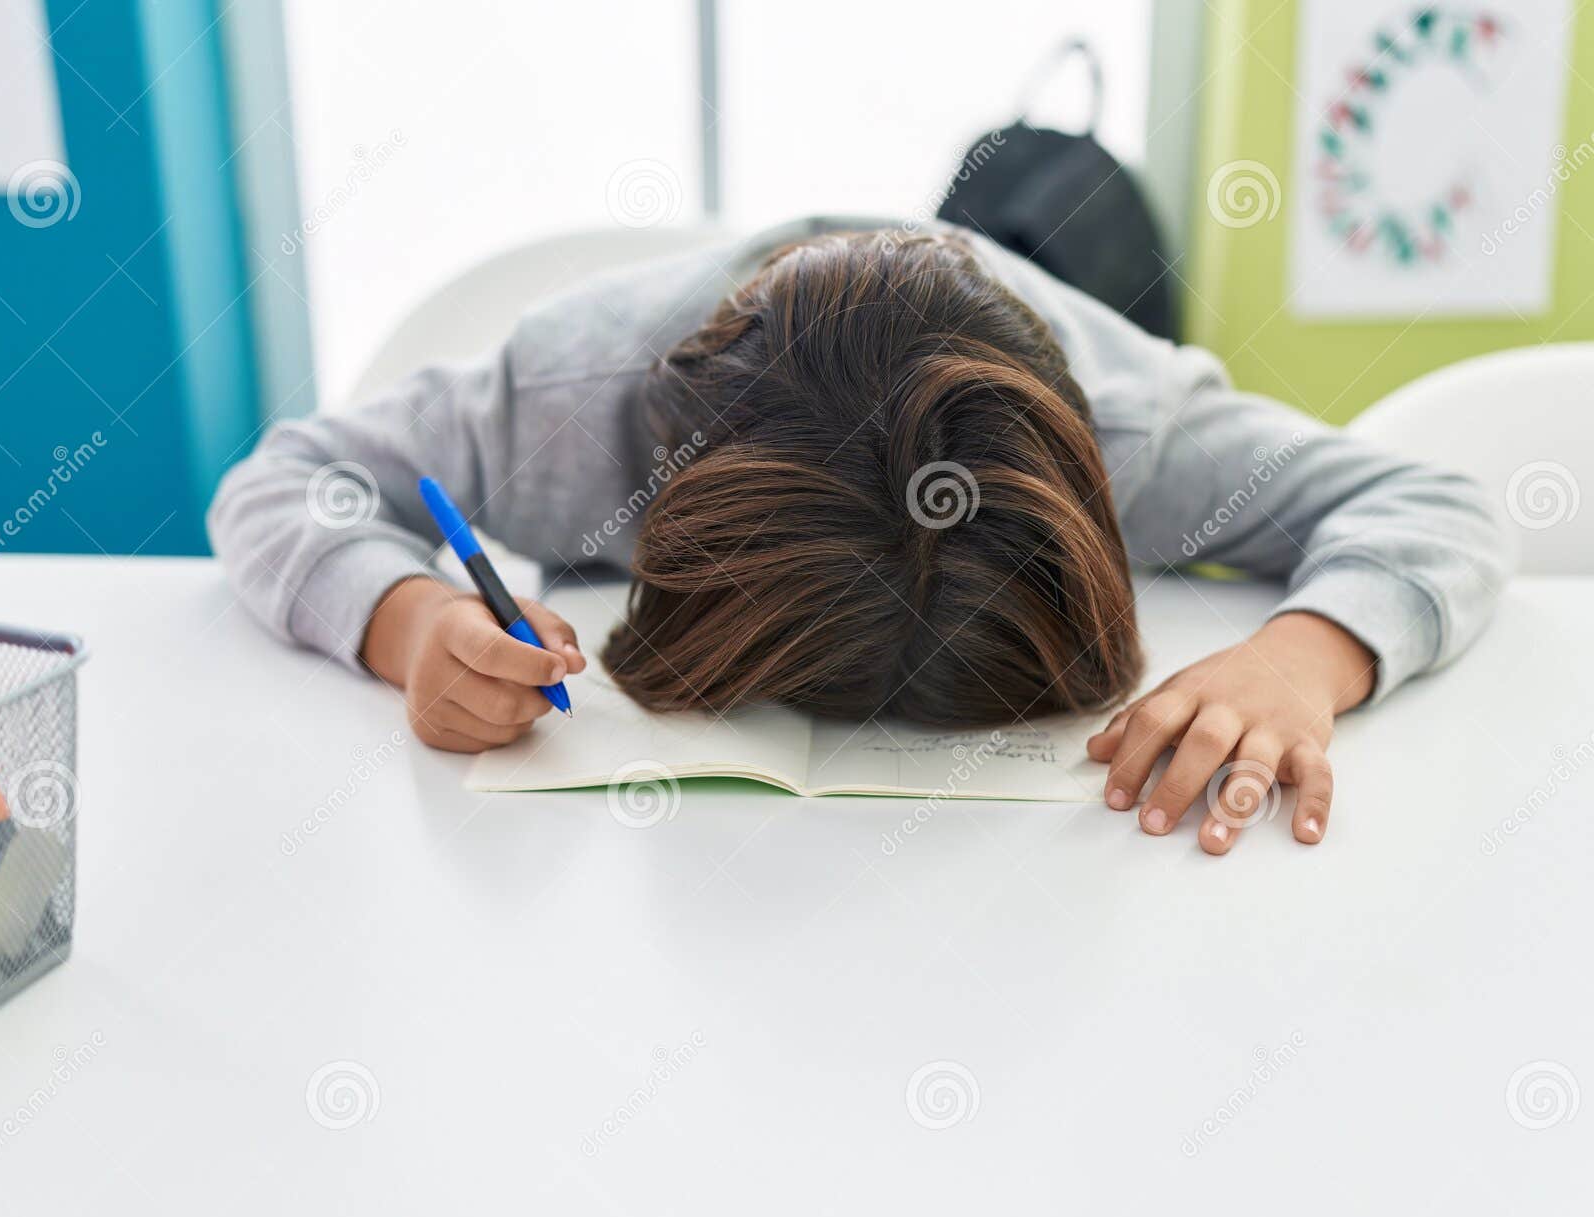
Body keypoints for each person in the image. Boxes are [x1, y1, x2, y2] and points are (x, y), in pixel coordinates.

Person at [208, 217, 1506, 855]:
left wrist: (1301, 656)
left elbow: (1437, 502)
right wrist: (409, 623)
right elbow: (287, 479)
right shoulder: (569, 410)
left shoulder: (1127, 432)